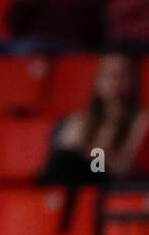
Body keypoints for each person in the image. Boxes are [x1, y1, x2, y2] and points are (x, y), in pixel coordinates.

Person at [40, 53, 149, 185]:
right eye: (108, 74)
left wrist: (93, 156)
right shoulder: (76, 121)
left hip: (109, 182)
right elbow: (66, 154)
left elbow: (126, 167)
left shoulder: (142, 121)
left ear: (134, 81)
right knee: (63, 160)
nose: (115, 79)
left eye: (123, 73)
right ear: (97, 80)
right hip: (77, 176)